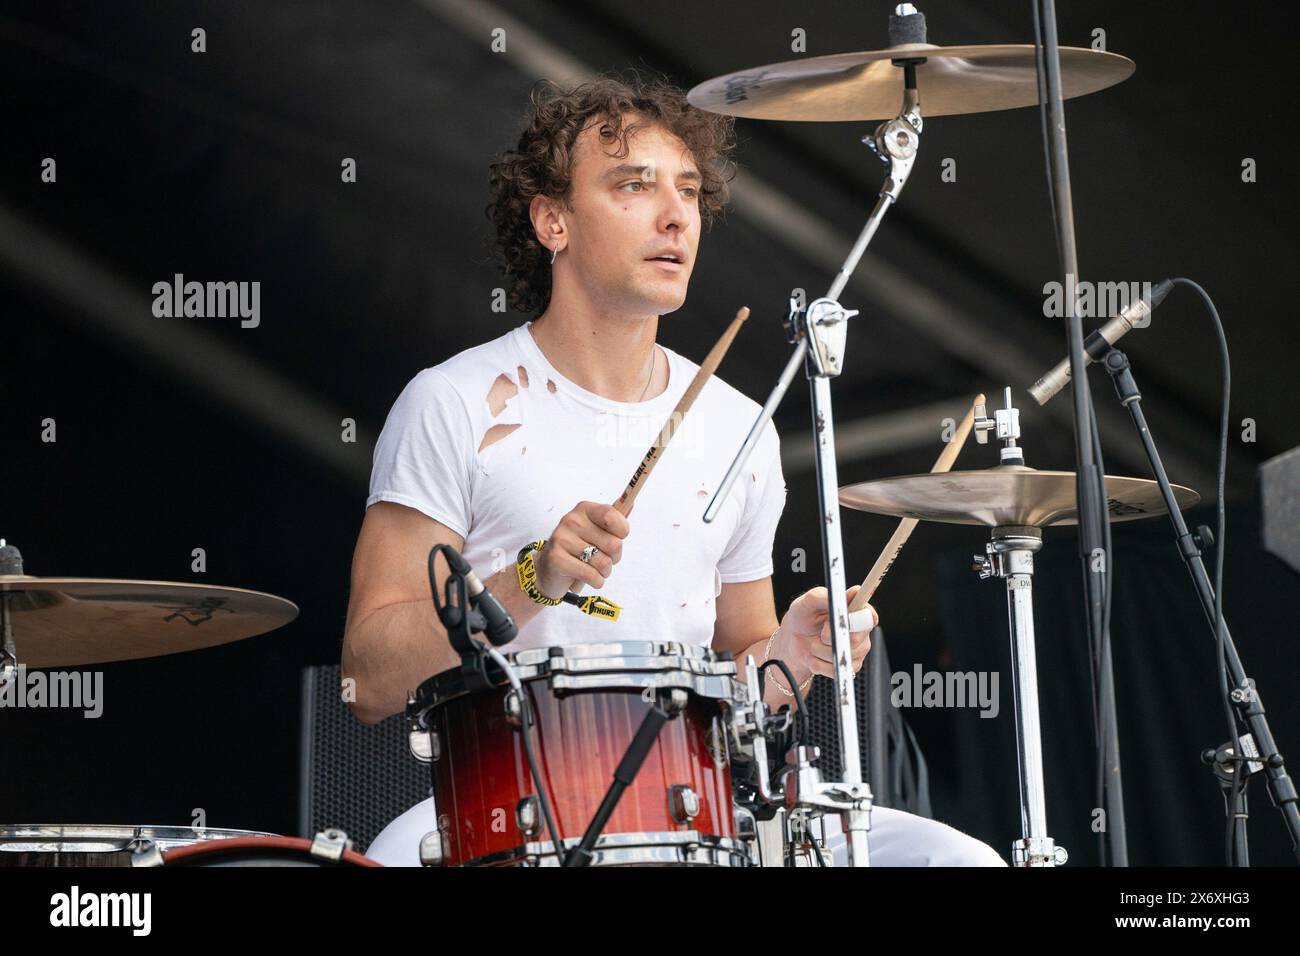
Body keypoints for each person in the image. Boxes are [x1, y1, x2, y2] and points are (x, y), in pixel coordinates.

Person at [341, 74, 1004, 867]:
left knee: (957, 862)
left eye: (688, 190)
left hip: (704, 806)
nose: (675, 215)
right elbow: (370, 679)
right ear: (552, 220)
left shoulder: (737, 428)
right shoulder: (453, 404)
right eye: (634, 186)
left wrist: (791, 652)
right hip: (511, 809)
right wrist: (530, 578)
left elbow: (741, 689)